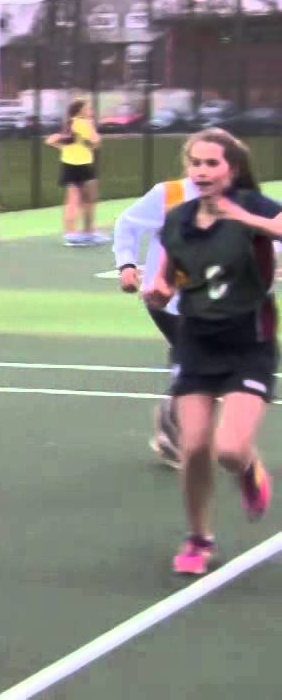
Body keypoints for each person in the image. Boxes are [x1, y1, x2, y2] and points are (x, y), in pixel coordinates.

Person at [143, 128, 282, 576]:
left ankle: (248, 468)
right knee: (195, 446)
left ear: (231, 170)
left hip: (249, 341)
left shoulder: (255, 207)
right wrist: (157, 291)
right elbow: (165, 277)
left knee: (228, 449)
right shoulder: (178, 219)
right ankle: (199, 538)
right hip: (197, 340)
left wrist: (242, 218)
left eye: (212, 164)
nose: (202, 171)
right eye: (195, 163)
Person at [113, 176, 201, 468]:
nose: (205, 170)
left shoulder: (240, 198)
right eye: (198, 161)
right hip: (166, 297)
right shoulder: (170, 193)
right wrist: (126, 263)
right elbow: (127, 223)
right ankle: (172, 428)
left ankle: (177, 416)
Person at [45, 99, 106, 247]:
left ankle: (72, 234)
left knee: (73, 200)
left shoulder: (71, 123)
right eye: (88, 108)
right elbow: (96, 141)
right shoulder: (82, 123)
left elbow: (53, 141)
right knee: (89, 200)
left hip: (69, 165)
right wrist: (91, 124)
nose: (90, 110)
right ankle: (87, 232)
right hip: (82, 166)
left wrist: (64, 148)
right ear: (80, 110)